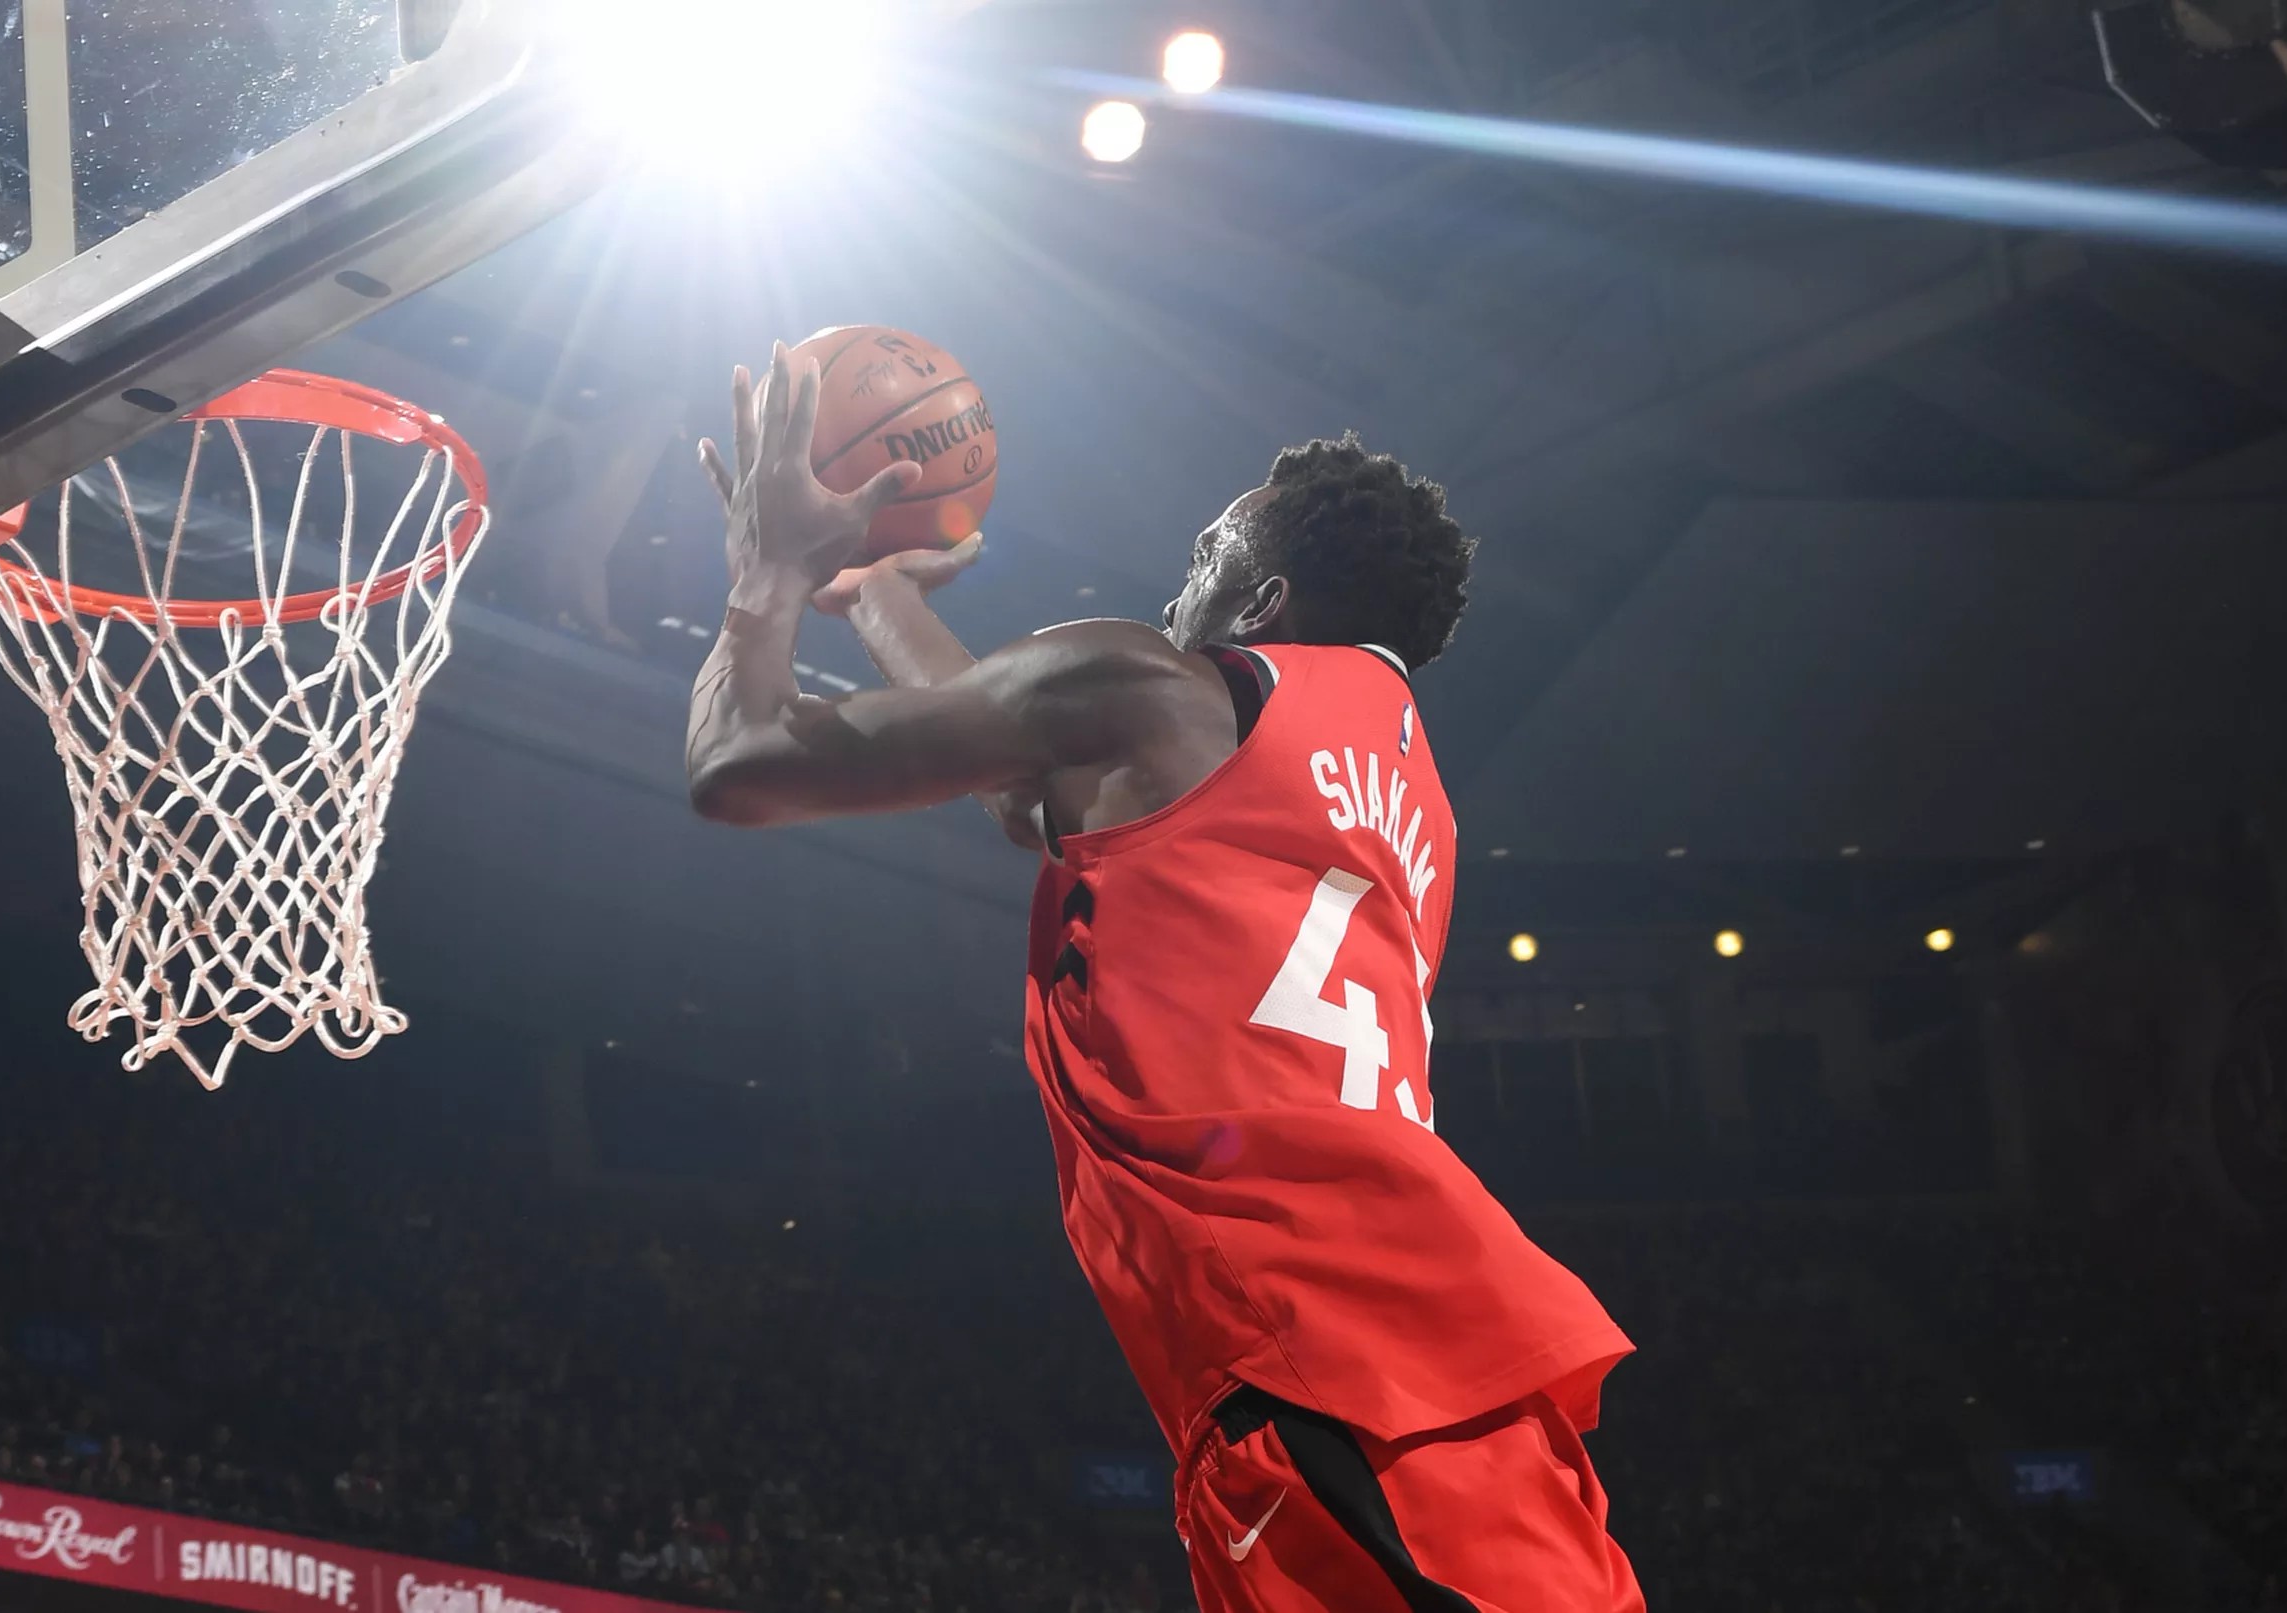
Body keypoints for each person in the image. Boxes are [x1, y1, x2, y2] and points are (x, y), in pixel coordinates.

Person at [687, 344, 1642, 1613]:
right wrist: (867, 594)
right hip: (1424, 1390)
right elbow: (1026, 785)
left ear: (1263, 595)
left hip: (1330, 1386)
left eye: (1210, 554)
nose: (1181, 580)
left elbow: (739, 759)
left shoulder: (1154, 683)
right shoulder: (1407, 810)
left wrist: (773, 568)